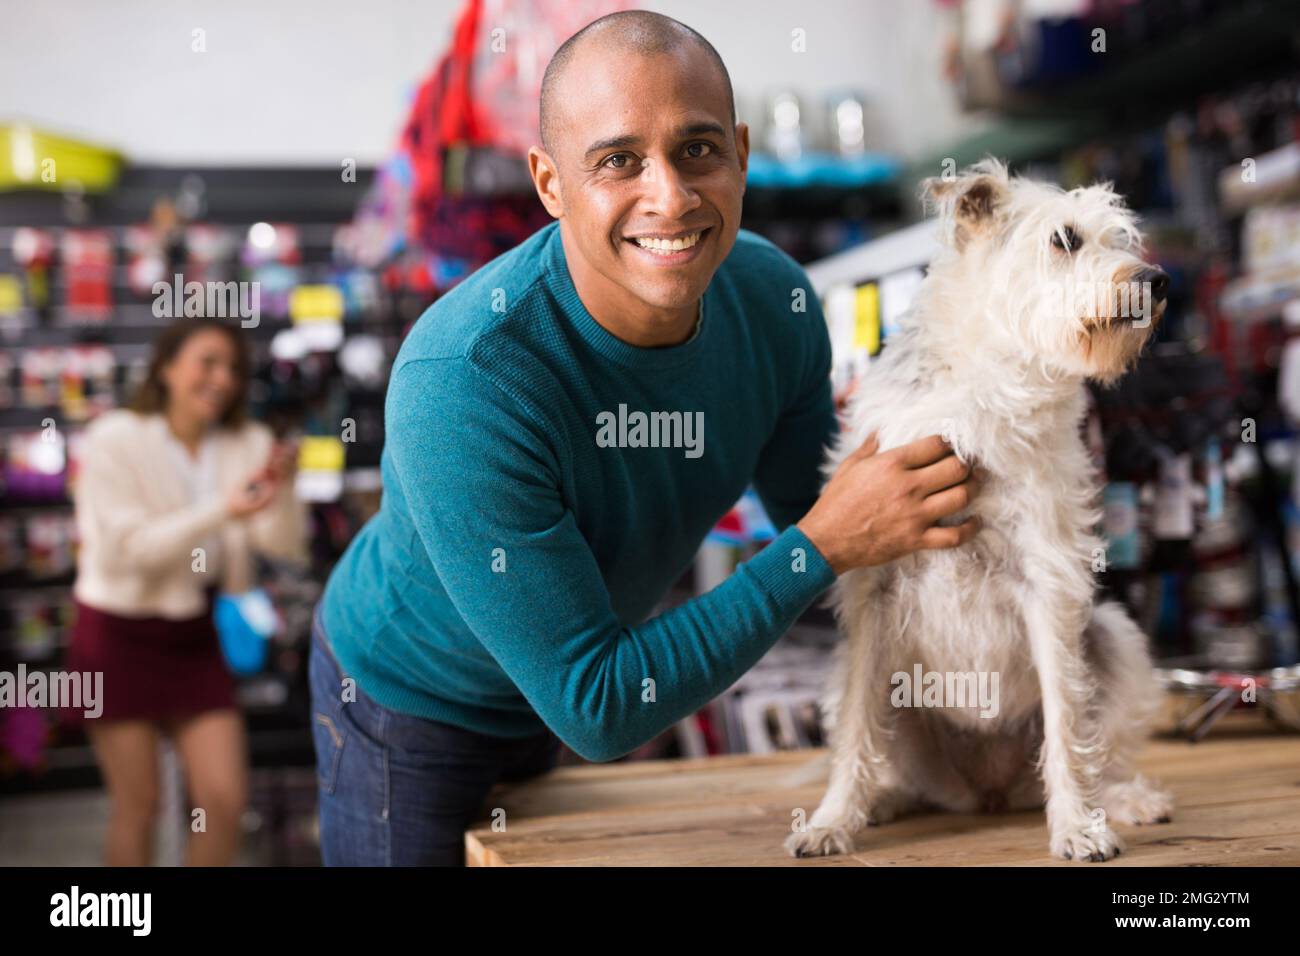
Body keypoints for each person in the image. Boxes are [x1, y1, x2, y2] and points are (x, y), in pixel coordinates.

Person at [311, 10, 981, 866]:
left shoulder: (775, 305)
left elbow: (849, 516)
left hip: (557, 689)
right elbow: (599, 706)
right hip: (407, 705)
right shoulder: (466, 378)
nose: (669, 196)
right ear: (551, 185)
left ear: (740, 153)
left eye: (698, 150)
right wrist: (819, 545)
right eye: (618, 161)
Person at [67, 317, 307, 865]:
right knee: (140, 804)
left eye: (233, 368)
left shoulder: (247, 440)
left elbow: (283, 546)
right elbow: (124, 552)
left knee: (223, 801)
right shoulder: (115, 438)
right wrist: (223, 507)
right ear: (167, 367)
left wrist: (284, 488)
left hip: (194, 634)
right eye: (207, 362)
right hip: (116, 634)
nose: (221, 378)